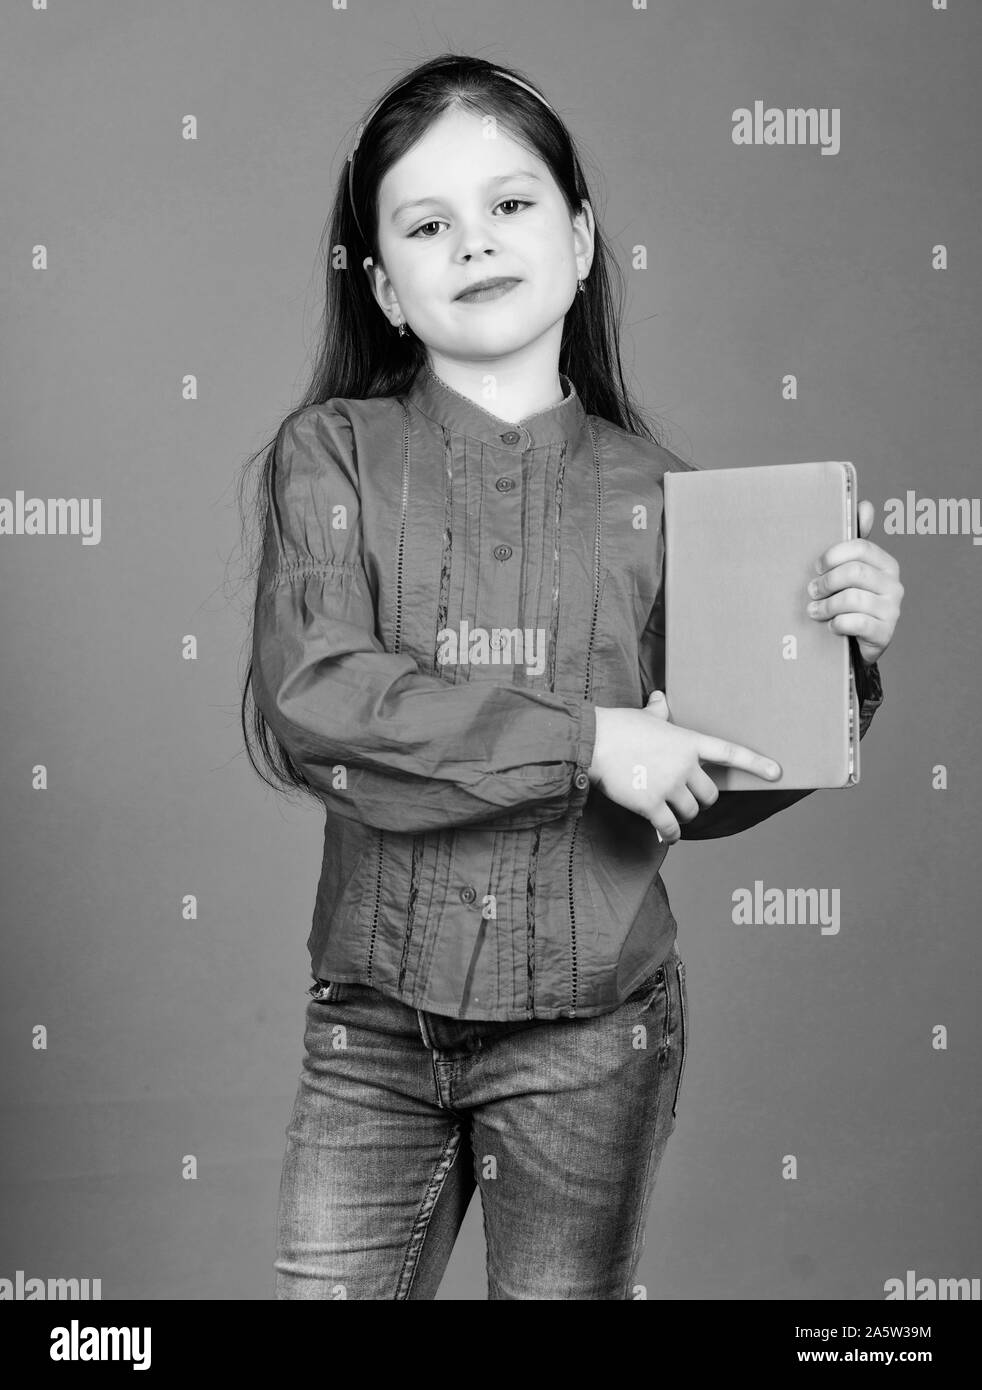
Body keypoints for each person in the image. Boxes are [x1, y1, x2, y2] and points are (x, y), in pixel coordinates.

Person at [240, 53, 902, 1300]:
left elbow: (705, 774)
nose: (474, 243)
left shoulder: (667, 499)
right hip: (373, 1022)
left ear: (583, 238)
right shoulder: (330, 455)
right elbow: (319, 695)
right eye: (428, 224)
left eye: (511, 204)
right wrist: (590, 740)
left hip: (594, 1034)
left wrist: (836, 660)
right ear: (383, 285)